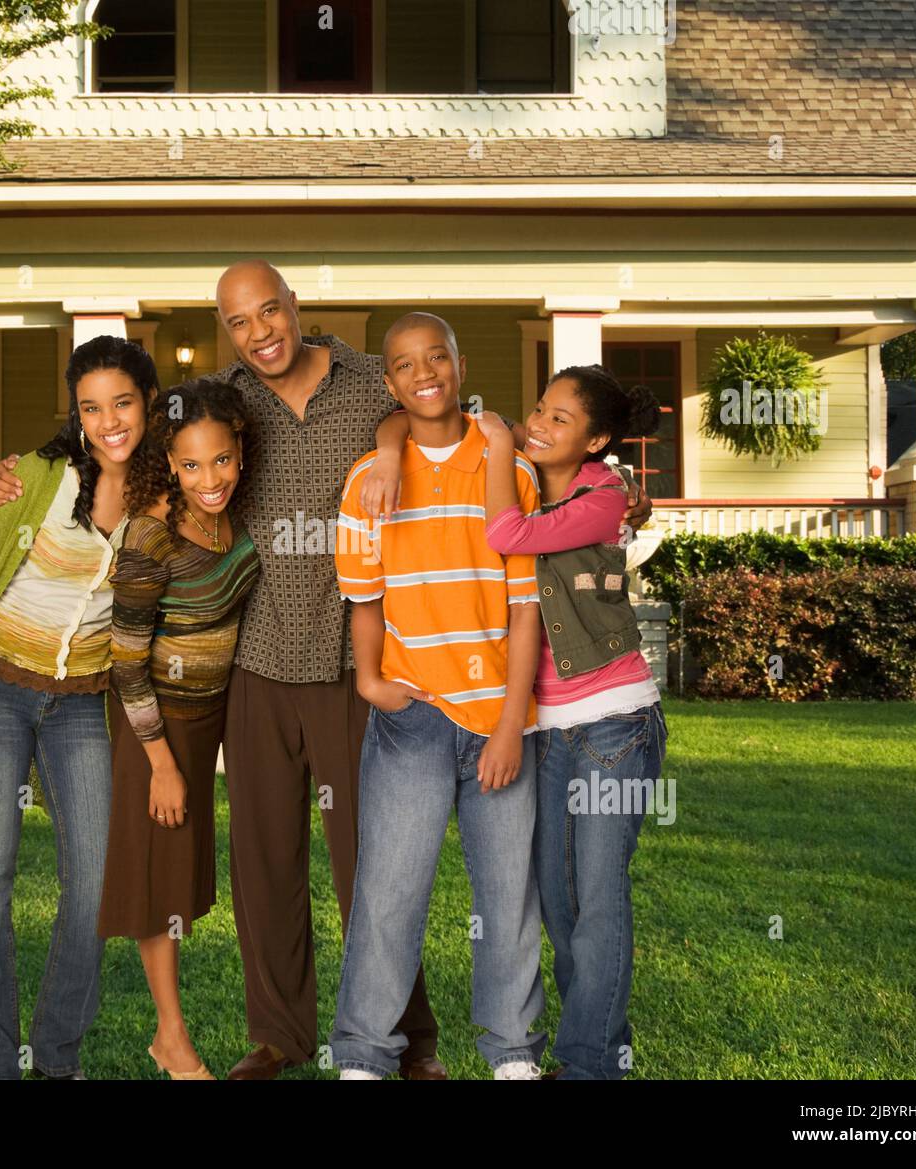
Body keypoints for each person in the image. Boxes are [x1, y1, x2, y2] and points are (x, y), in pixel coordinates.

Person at [0, 259, 653, 1080]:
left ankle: (410, 1041)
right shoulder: (220, 399)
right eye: (239, 320)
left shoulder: (377, 378)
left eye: (270, 310)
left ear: (296, 307)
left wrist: (596, 482)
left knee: (371, 866)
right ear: (225, 329)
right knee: (265, 863)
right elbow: (118, 430)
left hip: (351, 659)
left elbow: (454, 420)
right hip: (255, 660)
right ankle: (279, 1036)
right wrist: (18, 469)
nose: (259, 331)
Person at [0, 335, 157, 1080]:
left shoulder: (165, 485)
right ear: (74, 413)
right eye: (91, 407)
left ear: (148, 402)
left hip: (80, 701)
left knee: (99, 877)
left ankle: (56, 1052)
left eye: (123, 403)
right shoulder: (39, 477)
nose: (108, 420)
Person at [329, 312, 548, 1080]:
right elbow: (364, 597)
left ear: (459, 364)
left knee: (508, 898)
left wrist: (514, 723)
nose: (424, 373)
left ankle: (513, 1053)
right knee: (387, 895)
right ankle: (362, 1055)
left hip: (498, 716)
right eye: (404, 364)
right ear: (388, 382)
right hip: (412, 719)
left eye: (437, 357)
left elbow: (527, 609)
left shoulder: (508, 470)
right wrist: (369, 680)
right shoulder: (368, 479)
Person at [480, 364, 670, 1080]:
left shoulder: (604, 492)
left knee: (598, 898)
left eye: (562, 419)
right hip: (551, 727)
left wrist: (501, 451)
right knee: (559, 902)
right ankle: (593, 1046)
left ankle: (591, 1064)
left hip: (615, 724)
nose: (539, 422)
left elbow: (507, 533)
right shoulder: (541, 482)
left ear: (595, 440)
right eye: (539, 408)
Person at [98, 379, 261, 1080]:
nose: (210, 479)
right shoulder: (149, 533)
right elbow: (125, 661)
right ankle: (172, 1035)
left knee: (190, 872)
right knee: (157, 879)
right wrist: (160, 761)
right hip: (154, 722)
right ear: (169, 462)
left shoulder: (239, 511)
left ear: (240, 449)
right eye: (191, 466)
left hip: (218, 710)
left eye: (220, 460)